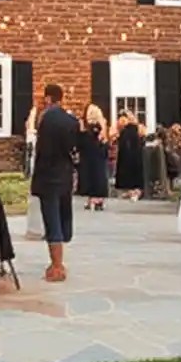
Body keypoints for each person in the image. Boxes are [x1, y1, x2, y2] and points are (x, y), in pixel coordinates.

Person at [31, 83, 79, 282]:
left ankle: (57, 266)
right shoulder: (71, 121)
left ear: (48, 98)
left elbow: (42, 150)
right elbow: (74, 149)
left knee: (52, 221)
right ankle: (59, 258)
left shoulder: (45, 119)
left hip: (48, 175)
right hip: (65, 174)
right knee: (63, 215)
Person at [76, 104, 110, 211]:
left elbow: (81, 142)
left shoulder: (86, 129)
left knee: (90, 175)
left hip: (89, 155)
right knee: (99, 174)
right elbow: (105, 143)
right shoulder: (102, 127)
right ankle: (98, 199)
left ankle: (92, 198)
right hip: (99, 154)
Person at [113, 112, 145, 200]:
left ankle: (133, 192)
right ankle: (134, 191)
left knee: (128, 173)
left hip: (128, 157)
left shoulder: (127, 131)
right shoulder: (135, 130)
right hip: (134, 157)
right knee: (134, 174)